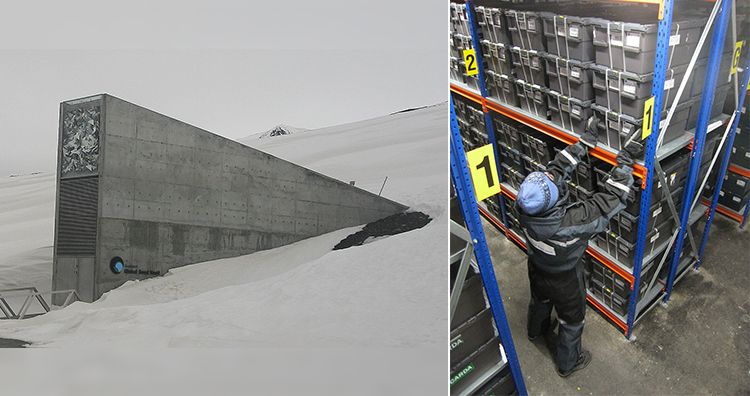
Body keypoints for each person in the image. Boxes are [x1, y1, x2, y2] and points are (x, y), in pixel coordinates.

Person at [515, 116, 642, 377]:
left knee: (539, 299)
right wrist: (626, 162)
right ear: (553, 201)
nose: (551, 176)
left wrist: (583, 143)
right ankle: (568, 364)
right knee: (572, 322)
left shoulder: (524, 206)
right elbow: (610, 199)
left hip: (537, 267)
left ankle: (535, 330)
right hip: (566, 279)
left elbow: (555, 170)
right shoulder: (572, 222)